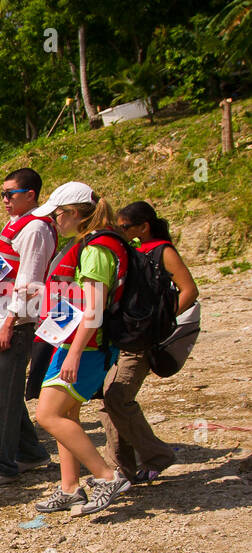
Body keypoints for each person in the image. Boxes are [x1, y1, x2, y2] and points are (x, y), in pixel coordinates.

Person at [32, 182, 133, 515]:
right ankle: (70, 488)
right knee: (66, 414)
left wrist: (74, 353)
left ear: (74, 213)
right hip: (77, 343)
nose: (55, 222)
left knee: (47, 415)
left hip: (88, 348)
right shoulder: (91, 244)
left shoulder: (96, 249)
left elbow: (94, 308)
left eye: (57, 215)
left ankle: (106, 476)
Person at [0, 167, 57, 489]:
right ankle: (32, 452)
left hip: (17, 321)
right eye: (2, 194)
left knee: (5, 395)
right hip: (1, 316)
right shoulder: (15, 225)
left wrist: (10, 323)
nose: (4, 200)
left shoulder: (36, 229)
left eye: (11, 194)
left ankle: (2, 464)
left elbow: (31, 282)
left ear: (30, 195)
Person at [103, 201, 198, 482]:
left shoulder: (163, 251)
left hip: (141, 340)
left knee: (116, 397)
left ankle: (155, 456)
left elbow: (189, 290)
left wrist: (161, 322)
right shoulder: (132, 250)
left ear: (143, 227)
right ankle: (122, 466)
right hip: (122, 335)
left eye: (125, 227)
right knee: (109, 398)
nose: (122, 232)